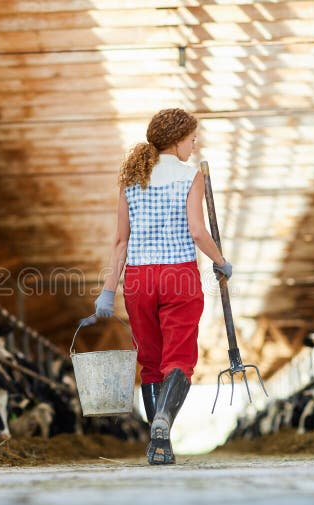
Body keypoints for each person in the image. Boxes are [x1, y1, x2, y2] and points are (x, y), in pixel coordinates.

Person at [94, 108, 232, 465]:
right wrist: (220, 261)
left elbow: (120, 241)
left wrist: (108, 290)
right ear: (177, 140)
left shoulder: (131, 179)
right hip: (179, 276)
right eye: (191, 139)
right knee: (179, 359)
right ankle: (164, 422)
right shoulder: (190, 176)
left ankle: (160, 445)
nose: (193, 145)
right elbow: (198, 231)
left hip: (138, 280)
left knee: (151, 363)